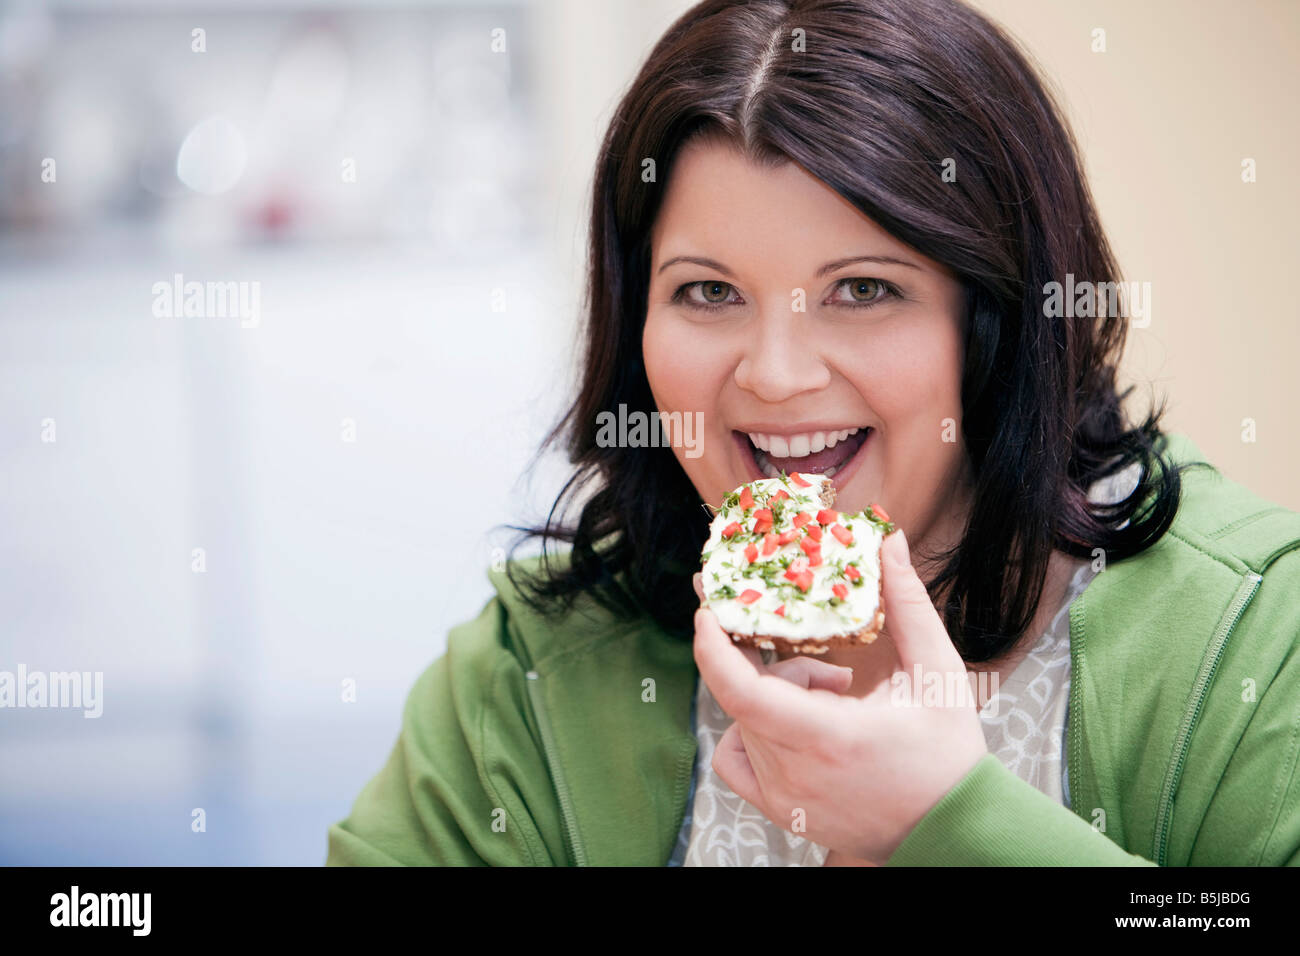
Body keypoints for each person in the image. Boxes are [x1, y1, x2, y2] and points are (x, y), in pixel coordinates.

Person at [326, 0, 1300, 866]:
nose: (775, 375)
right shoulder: (529, 672)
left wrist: (951, 827)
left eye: (864, 290)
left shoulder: (1254, 637)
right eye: (707, 292)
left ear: (996, 324)